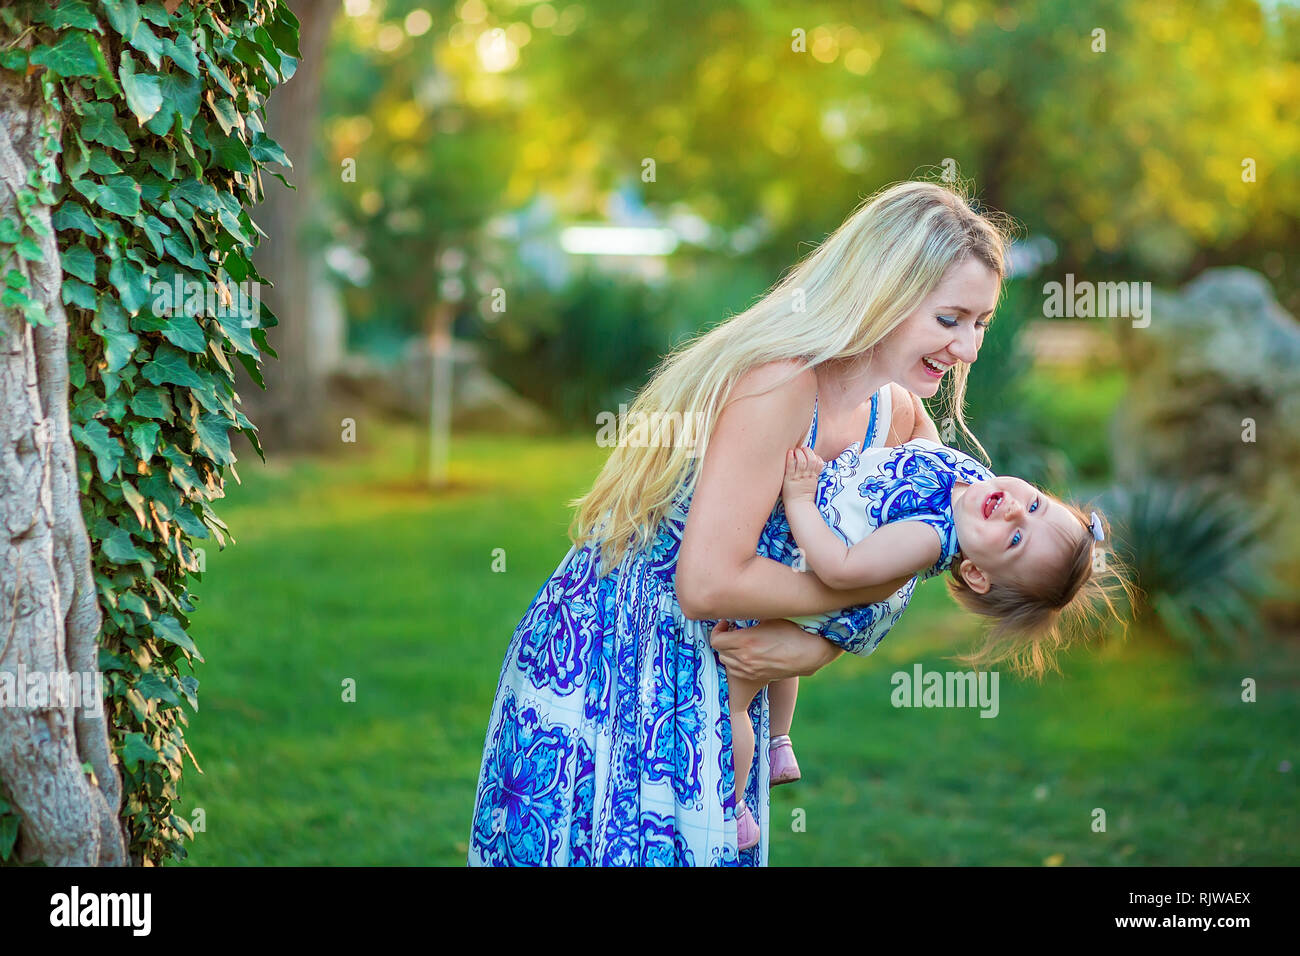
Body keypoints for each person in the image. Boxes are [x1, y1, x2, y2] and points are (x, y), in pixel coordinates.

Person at [468, 179, 1013, 866]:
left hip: (721, 672)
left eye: (981, 323)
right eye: (950, 319)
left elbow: (916, 557)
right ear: (887, 294)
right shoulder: (783, 384)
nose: (967, 347)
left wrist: (824, 646)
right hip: (615, 658)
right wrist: (837, 603)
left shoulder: (896, 417)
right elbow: (708, 582)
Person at [722, 436, 1122, 848]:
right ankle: (780, 742)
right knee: (776, 656)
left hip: (807, 568)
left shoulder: (930, 537)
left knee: (736, 697)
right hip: (804, 554)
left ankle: (735, 809)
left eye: (1016, 539)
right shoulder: (976, 480)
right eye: (1036, 504)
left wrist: (802, 499)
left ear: (977, 575)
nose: (1016, 510)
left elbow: (839, 570)